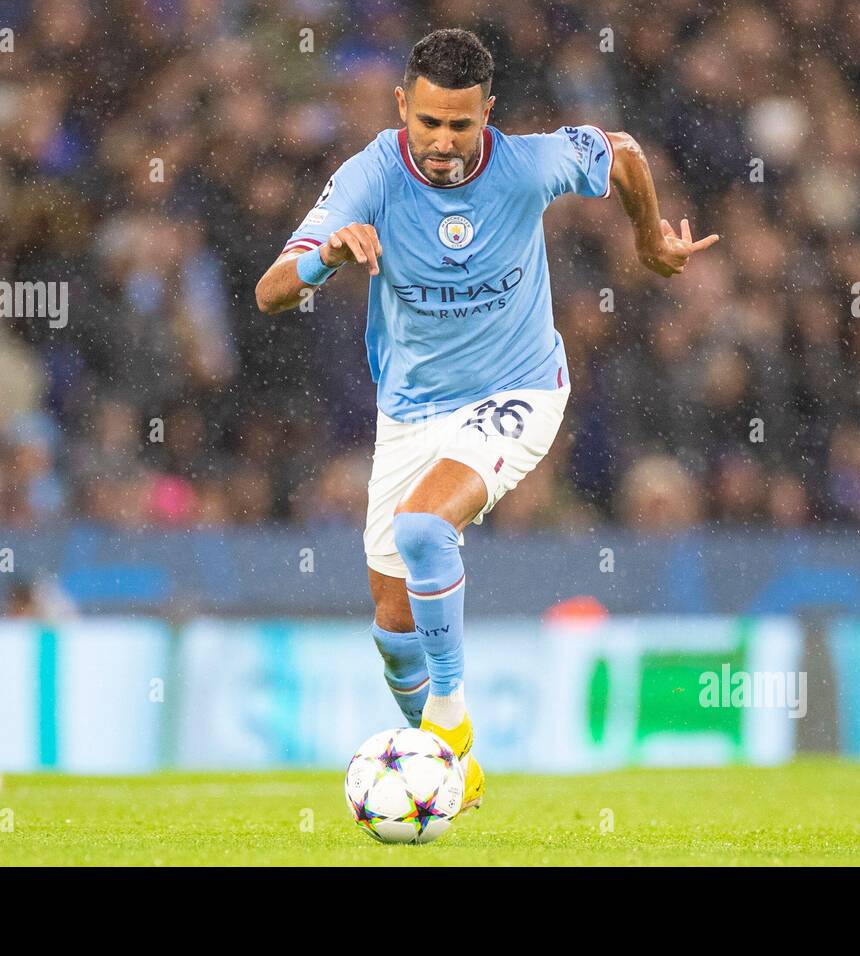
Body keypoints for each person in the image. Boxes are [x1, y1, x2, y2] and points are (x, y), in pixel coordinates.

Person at [255, 28, 718, 815]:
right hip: (408, 411)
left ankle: (451, 721)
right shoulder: (370, 174)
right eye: (428, 123)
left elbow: (626, 151)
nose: (441, 143)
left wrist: (646, 239)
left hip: (521, 388)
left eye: (460, 125)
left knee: (424, 529)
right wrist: (325, 258)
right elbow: (270, 291)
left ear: (488, 116)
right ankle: (444, 777)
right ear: (403, 106)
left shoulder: (529, 163)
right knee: (394, 624)